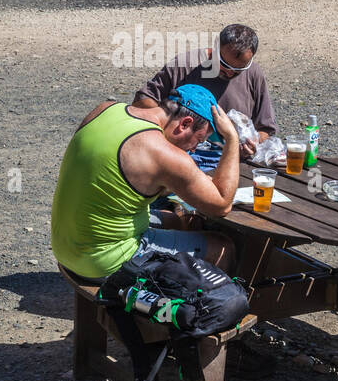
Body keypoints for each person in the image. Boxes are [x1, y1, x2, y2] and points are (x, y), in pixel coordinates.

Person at [51, 84, 239, 283]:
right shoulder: (163, 153)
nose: (194, 150)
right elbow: (222, 205)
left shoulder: (105, 109)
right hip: (102, 263)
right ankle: (182, 307)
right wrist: (232, 138)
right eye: (199, 140)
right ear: (185, 123)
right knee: (222, 248)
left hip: (64, 247)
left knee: (177, 220)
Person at [132, 23, 275, 161]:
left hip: (231, 159)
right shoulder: (185, 64)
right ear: (216, 46)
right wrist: (166, 131)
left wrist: (253, 143)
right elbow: (142, 102)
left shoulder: (254, 74)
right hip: (178, 155)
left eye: (239, 70)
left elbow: (266, 128)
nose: (230, 72)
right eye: (224, 64)